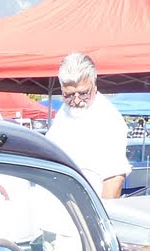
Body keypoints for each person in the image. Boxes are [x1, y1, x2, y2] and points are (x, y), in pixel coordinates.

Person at [45, 53, 131, 198]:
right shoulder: (65, 111)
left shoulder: (108, 119)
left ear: (94, 86)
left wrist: (100, 218)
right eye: (69, 95)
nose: (77, 100)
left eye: (83, 93)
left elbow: (114, 179)